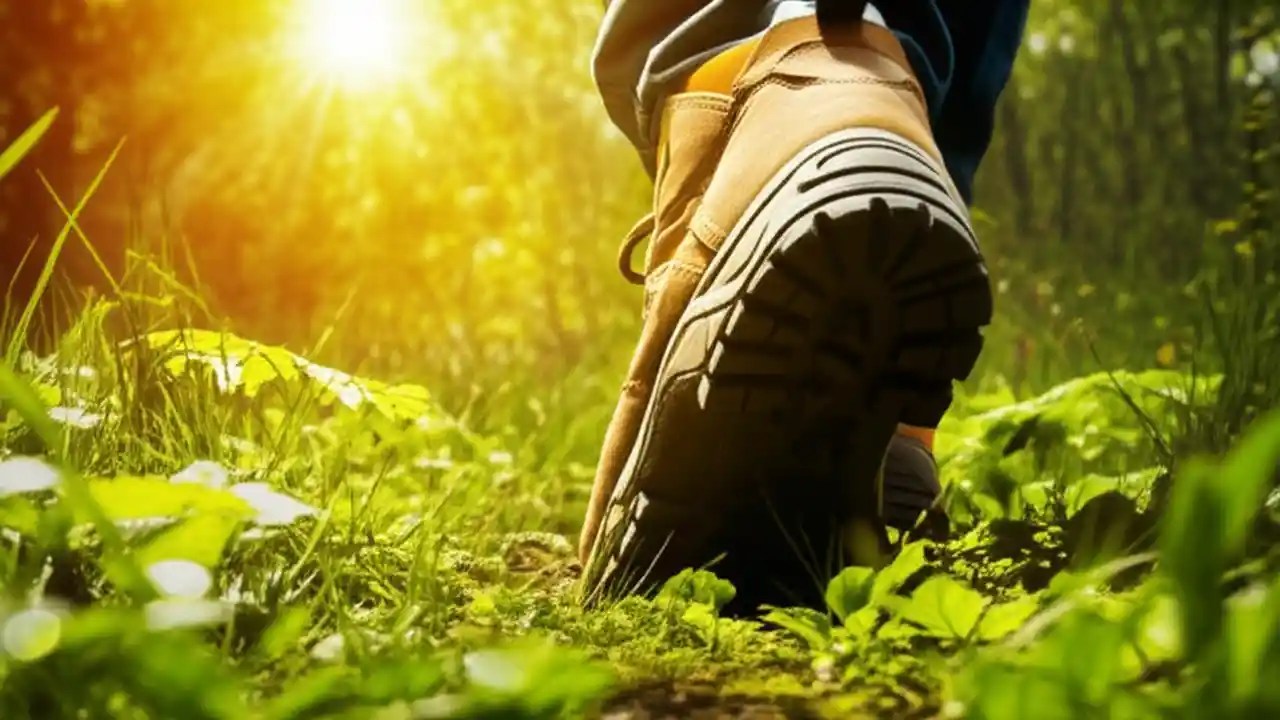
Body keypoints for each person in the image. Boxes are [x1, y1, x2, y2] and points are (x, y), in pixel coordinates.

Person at [578, 0, 1029, 610]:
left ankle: (743, 89)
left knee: (711, 29)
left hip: (761, 80)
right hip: (910, 112)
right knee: (925, 64)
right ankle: (894, 421)